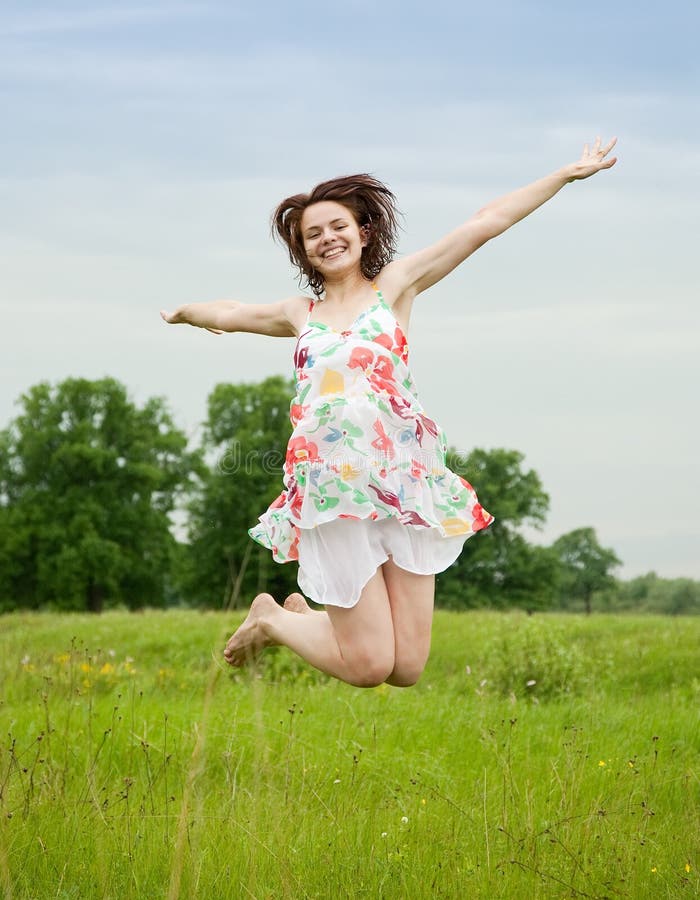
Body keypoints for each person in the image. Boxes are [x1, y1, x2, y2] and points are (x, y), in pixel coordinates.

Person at [161, 136, 617, 688]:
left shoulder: (394, 288)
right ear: (304, 252)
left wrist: (563, 175)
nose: (327, 239)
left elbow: (484, 222)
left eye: (337, 227)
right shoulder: (298, 312)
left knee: (406, 669)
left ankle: (302, 620)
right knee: (371, 666)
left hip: (405, 481)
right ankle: (273, 620)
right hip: (336, 488)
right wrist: (188, 312)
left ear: (362, 232)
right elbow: (232, 312)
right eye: (312, 235)